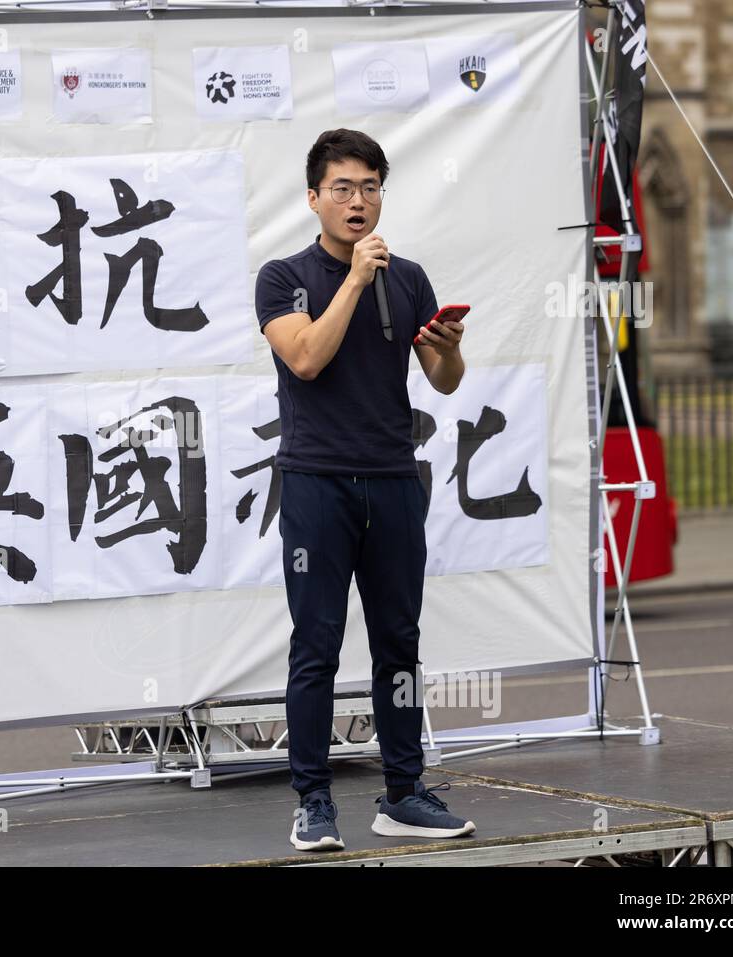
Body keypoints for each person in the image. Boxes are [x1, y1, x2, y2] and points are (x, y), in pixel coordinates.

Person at [254, 129, 475, 851]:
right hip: (317, 482)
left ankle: (404, 792)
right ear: (313, 196)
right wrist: (353, 277)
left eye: (371, 186)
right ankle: (313, 799)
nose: (359, 201)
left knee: (400, 644)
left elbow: (444, 381)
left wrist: (446, 353)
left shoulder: (408, 277)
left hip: (393, 480)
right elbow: (308, 357)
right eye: (343, 188)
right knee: (315, 645)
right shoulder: (282, 276)